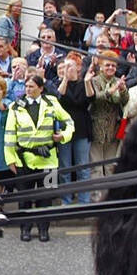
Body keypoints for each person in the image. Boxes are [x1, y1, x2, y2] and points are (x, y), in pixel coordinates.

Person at [4, 74, 73, 242]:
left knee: (46, 198)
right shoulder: (15, 106)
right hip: (24, 159)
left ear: (41, 88)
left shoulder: (52, 103)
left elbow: (69, 122)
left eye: (32, 86)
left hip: (48, 159)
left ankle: (44, 229)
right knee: (24, 197)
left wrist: (63, 135)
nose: (28, 89)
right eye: (26, 86)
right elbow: (9, 133)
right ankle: (25, 229)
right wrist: (10, 159)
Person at [86, 50, 128, 190]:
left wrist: (122, 90)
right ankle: (96, 197)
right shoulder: (94, 81)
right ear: (101, 66)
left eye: (113, 66)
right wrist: (112, 90)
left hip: (113, 129)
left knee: (111, 167)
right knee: (96, 167)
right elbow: (96, 98)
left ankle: (109, 197)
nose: (111, 68)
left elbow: (125, 100)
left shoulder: (118, 81)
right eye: (107, 65)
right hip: (95, 127)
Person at [53, 56, 92, 204]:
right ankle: (66, 200)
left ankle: (84, 201)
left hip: (81, 127)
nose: (68, 69)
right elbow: (58, 97)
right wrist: (65, 78)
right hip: (64, 129)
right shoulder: (60, 84)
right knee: (65, 167)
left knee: (83, 167)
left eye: (71, 66)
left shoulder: (84, 83)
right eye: (65, 66)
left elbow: (89, 99)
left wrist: (87, 81)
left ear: (78, 68)